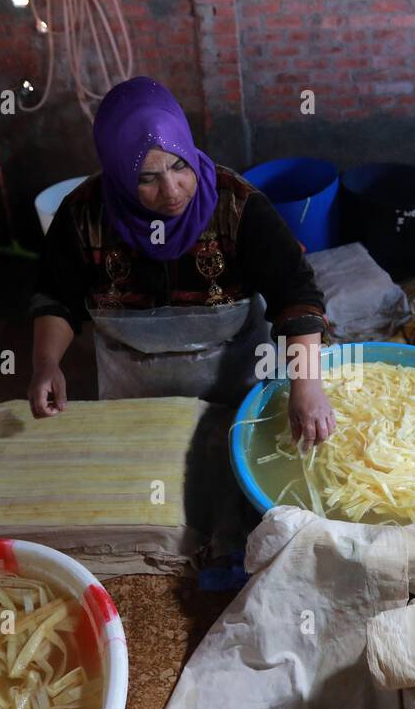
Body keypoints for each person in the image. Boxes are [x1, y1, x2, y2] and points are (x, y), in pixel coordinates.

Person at [28, 77, 336, 445]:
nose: (171, 191)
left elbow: (296, 294)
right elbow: (56, 296)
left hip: (235, 375)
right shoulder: (83, 215)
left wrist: (307, 385)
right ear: (119, 174)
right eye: (147, 178)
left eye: (179, 167)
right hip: (133, 385)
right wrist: (45, 363)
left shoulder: (238, 207)